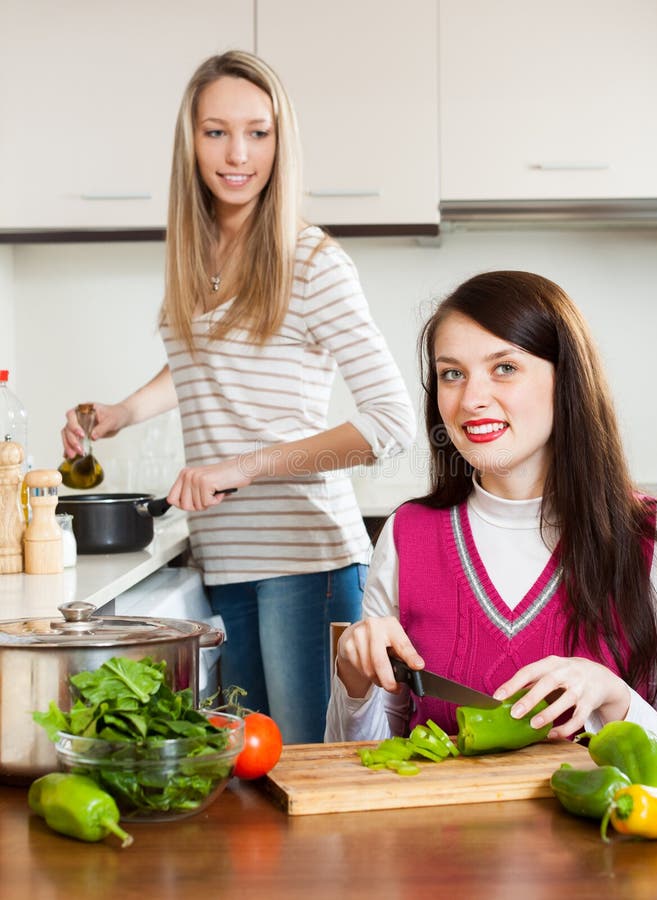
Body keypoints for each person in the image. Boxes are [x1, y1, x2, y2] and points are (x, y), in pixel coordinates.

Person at [61, 51, 416, 744]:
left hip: (304, 558)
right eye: (216, 132)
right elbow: (202, 362)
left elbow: (391, 422)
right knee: (252, 781)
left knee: (307, 773)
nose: (238, 154)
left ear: (282, 144)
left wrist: (242, 467)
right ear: (189, 143)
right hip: (226, 556)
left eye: (259, 132)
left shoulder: (311, 262)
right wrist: (122, 413)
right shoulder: (197, 261)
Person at [325, 270, 657, 745]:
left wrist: (616, 699)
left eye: (505, 368)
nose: (471, 399)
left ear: (565, 379)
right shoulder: (406, 534)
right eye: (452, 374)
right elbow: (363, 760)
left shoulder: (656, 537)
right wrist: (352, 683)